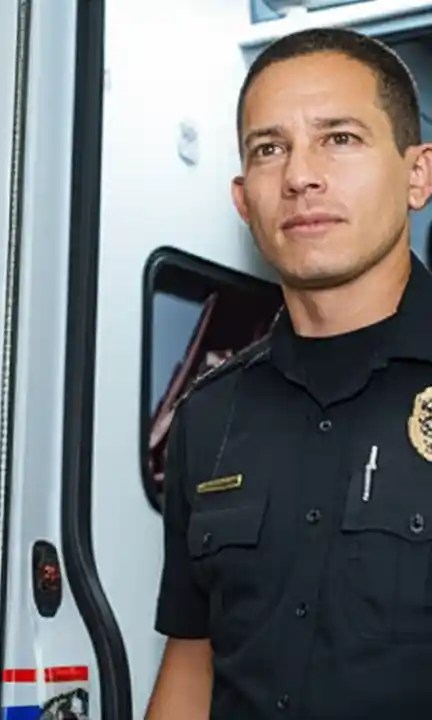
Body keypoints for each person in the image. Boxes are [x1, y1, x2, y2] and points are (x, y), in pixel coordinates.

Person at [146, 27, 432, 719]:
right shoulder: (206, 418)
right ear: (244, 200)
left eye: (340, 138)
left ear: (418, 175)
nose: (301, 175)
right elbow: (193, 659)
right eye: (269, 149)